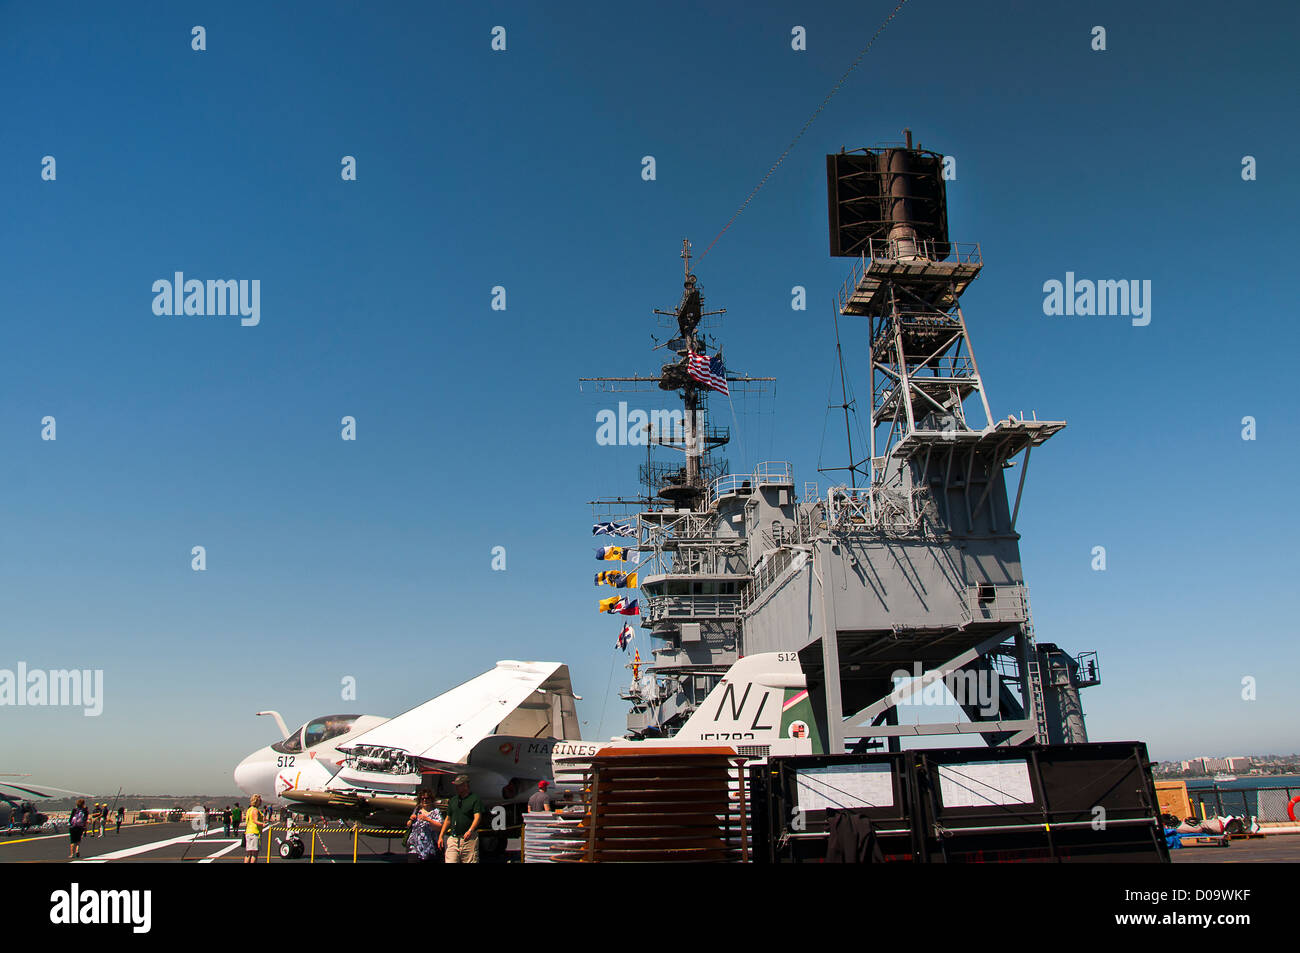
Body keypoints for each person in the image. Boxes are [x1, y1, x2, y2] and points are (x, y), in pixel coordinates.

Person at [438, 775, 483, 863]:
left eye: (459, 785)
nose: (457, 787)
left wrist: (470, 830)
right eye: (456, 785)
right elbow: (448, 819)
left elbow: (477, 817)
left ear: (466, 785)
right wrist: (441, 836)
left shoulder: (474, 798)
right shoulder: (454, 800)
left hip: (468, 839)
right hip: (454, 838)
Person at [405, 791, 443, 863]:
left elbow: (440, 826)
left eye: (427, 798)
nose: (424, 800)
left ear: (431, 799)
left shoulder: (435, 812)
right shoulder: (417, 810)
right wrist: (410, 819)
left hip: (429, 847)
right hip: (414, 847)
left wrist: (427, 819)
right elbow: (408, 825)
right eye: (422, 799)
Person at [243, 795, 266, 863]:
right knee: (254, 854)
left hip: (249, 832)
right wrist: (262, 824)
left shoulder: (249, 809)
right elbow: (255, 820)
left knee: (248, 854)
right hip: (254, 833)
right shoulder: (255, 810)